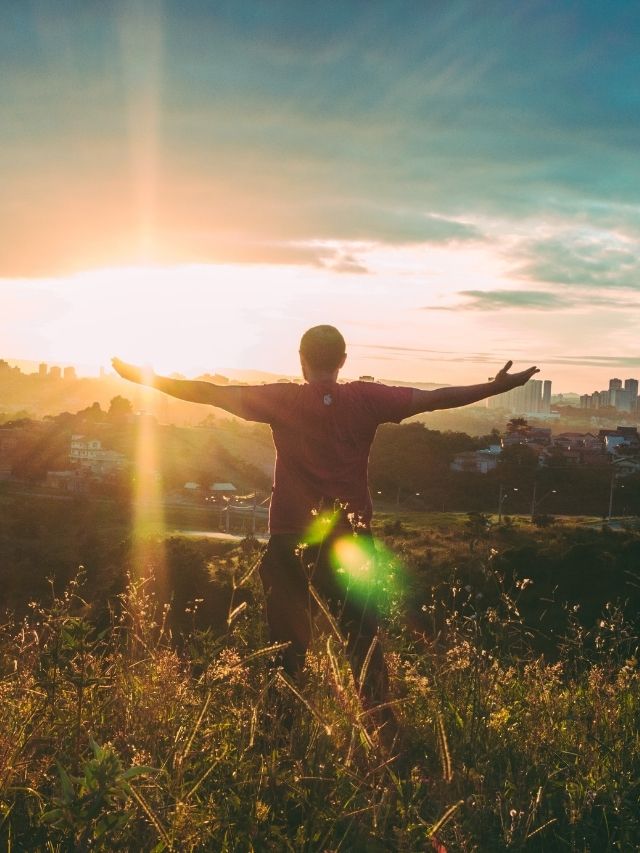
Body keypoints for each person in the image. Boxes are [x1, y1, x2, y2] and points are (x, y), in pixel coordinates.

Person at [112, 325, 538, 744]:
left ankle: (283, 736)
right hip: (349, 539)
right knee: (362, 638)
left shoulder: (283, 399)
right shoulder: (367, 399)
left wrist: (145, 378)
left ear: (301, 360)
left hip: (289, 540)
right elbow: (436, 399)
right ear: (343, 361)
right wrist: (495, 387)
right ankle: (382, 731)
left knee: (286, 645)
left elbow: (207, 392)